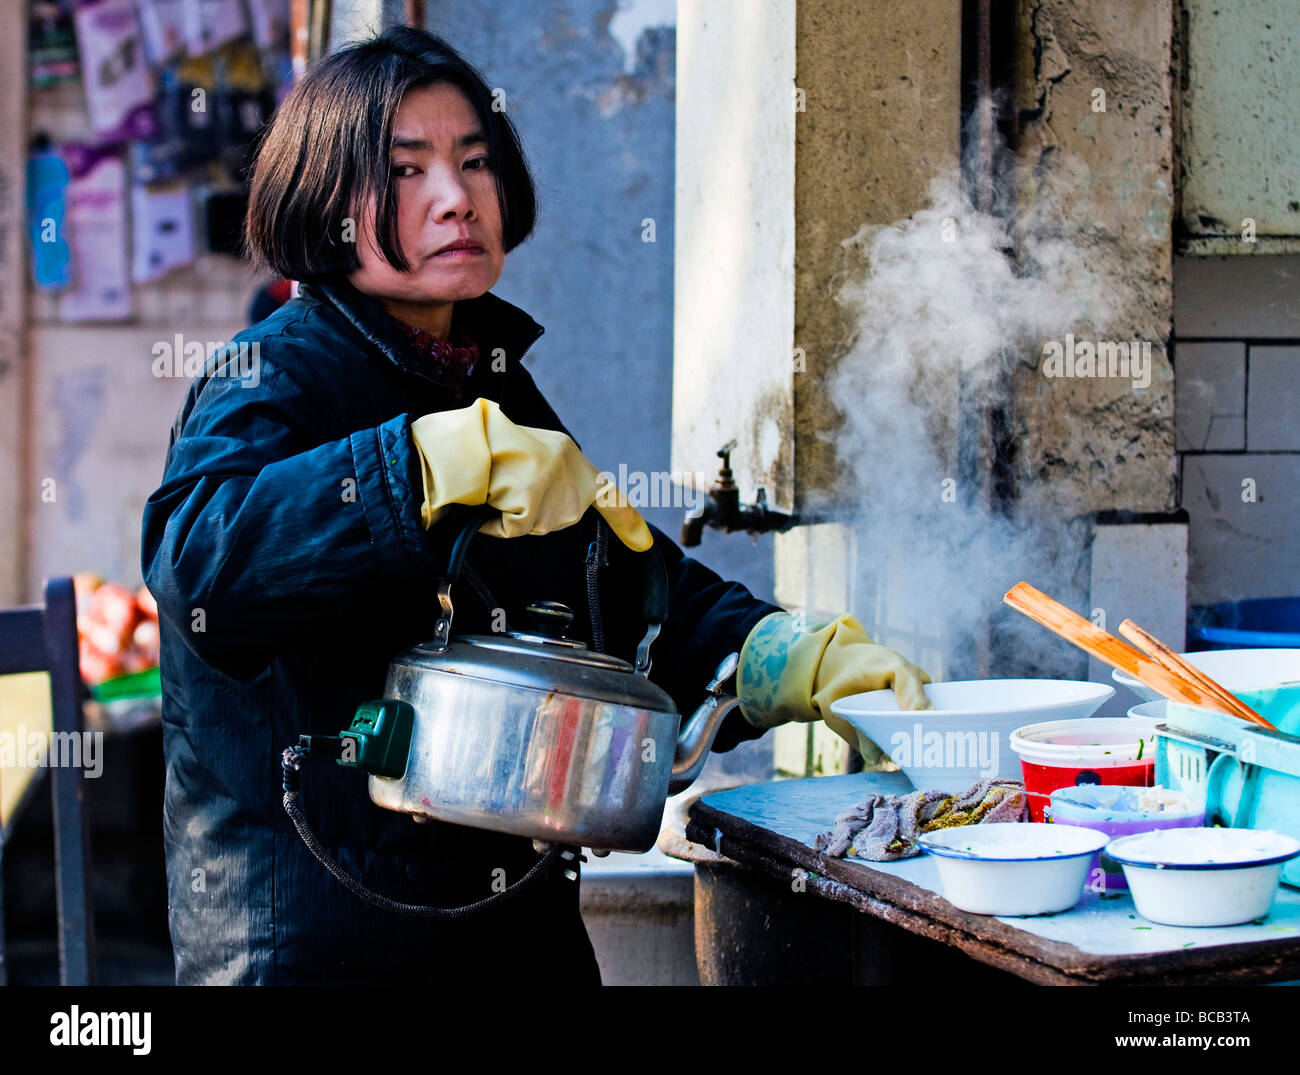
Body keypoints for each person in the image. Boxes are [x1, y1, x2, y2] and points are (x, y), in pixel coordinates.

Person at [141, 26, 930, 986]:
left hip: (511, 936)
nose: (455, 196)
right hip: (319, 946)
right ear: (326, 200)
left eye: (475, 163)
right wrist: (421, 466)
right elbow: (200, 568)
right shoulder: (271, 375)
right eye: (406, 170)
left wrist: (779, 652)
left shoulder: (493, 381)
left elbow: (627, 581)